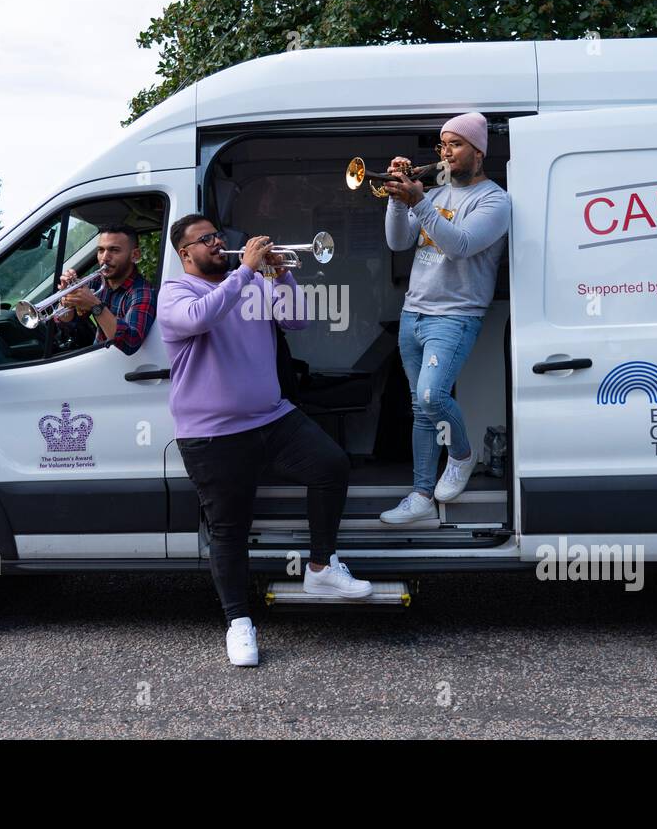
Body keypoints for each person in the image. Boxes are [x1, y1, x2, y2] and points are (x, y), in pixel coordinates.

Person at [158, 214, 371, 667]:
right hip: (211, 433)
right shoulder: (177, 293)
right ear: (185, 253)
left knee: (331, 465)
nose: (217, 243)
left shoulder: (248, 283)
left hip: (271, 417)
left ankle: (320, 568)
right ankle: (238, 624)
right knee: (230, 531)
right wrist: (246, 271)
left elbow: (296, 321)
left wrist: (283, 274)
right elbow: (201, 318)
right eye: (206, 240)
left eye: (218, 236)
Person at [379, 112, 511, 524]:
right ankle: (421, 496)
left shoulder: (494, 200)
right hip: (413, 313)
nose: (446, 153)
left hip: (454, 316)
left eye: (455, 144)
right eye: (443, 145)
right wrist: (396, 200)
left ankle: (462, 454)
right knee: (420, 407)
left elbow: (461, 245)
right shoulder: (433, 197)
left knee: (433, 396)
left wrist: (417, 199)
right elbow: (397, 241)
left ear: (478, 150)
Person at [52, 224, 156, 355]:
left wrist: (95, 305)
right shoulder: (97, 282)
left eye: (114, 250)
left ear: (135, 255)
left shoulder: (143, 292)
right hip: (99, 360)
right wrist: (66, 298)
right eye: (101, 250)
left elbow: (131, 342)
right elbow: (69, 321)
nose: (105, 258)